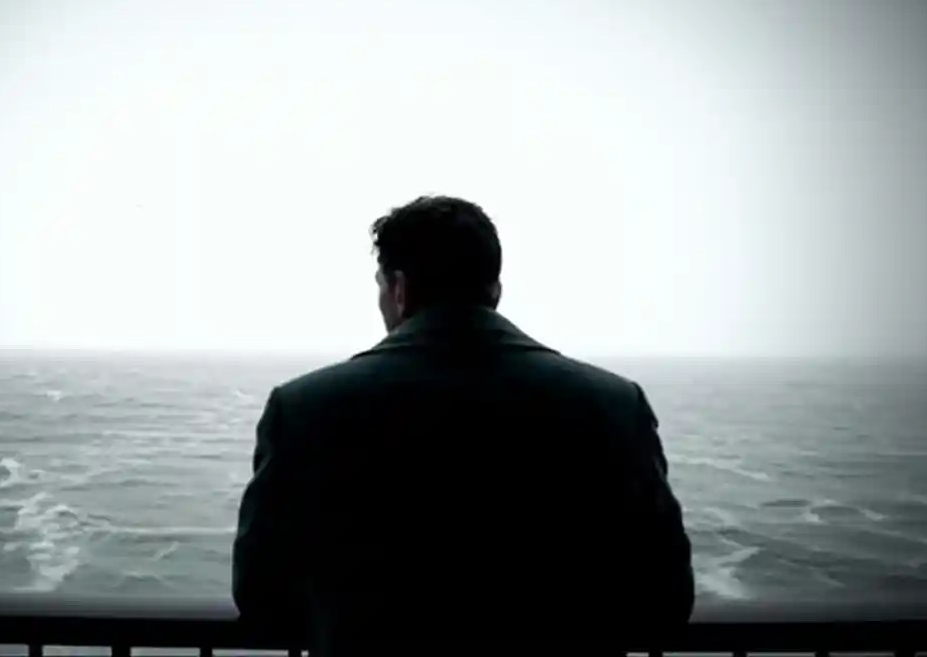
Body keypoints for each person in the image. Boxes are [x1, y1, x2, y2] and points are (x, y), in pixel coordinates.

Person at [232, 195, 694, 656]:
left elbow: (261, 594)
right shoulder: (611, 404)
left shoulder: (305, 408)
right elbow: (664, 596)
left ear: (398, 288)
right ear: (494, 288)